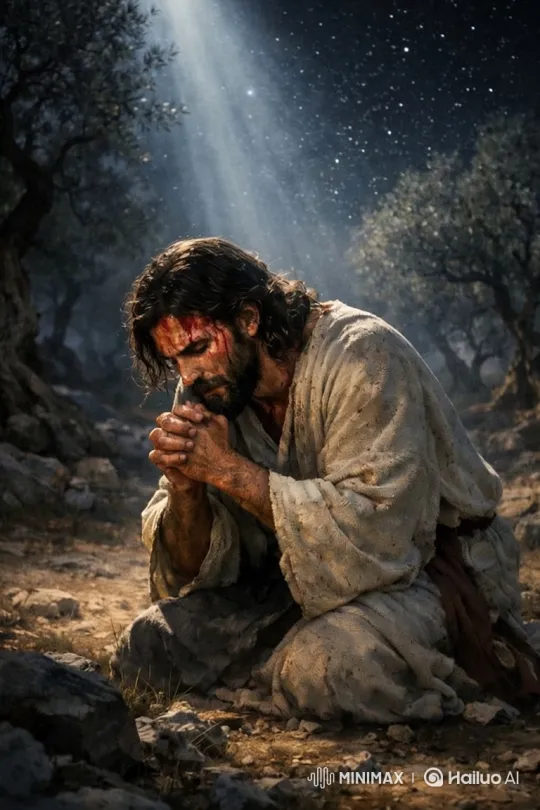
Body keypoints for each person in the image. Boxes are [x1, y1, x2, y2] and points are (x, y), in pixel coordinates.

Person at [113, 236, 540, 723]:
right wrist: (188, 490)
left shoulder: (363, 354)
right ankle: (275, 674)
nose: (187, 376)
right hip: (294, 585)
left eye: (198, 348)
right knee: (147, 645)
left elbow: (382, 537)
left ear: (249, 319)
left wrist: (227, 471)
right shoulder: (209, 385)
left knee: (328, 665)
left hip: (430, 570)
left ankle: (474, 659)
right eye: (174, 362)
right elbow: (187, 576)